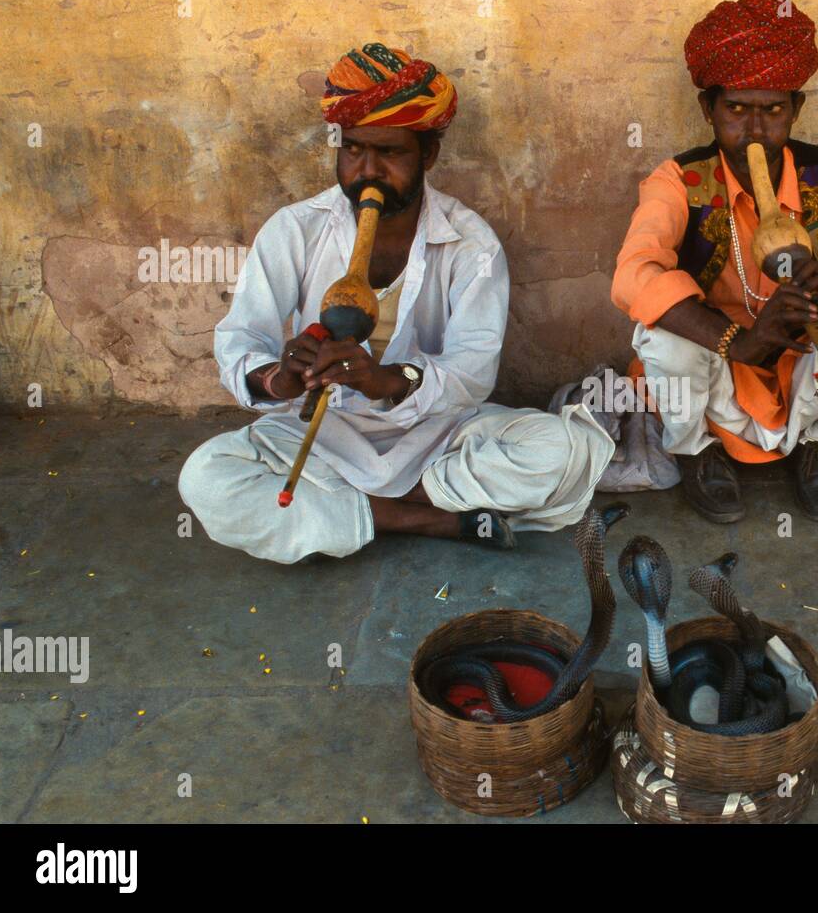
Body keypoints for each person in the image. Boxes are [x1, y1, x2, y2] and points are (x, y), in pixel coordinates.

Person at [179, 43, 614, 564]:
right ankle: (428, 519)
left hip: (435, 431)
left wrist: (391, 381)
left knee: (561, 452)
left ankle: (346, 512)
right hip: (322, 435)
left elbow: (474, 372)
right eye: (355, 150)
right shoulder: (295, 229)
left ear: (428, 155)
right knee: (206, 477)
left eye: (390, 153)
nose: (368, 170)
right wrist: (276, 378)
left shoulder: (469, 242)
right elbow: (239, 339)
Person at [611, 0, 818, 523]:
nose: (755, 130)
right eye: (736, 110)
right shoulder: (678, 181)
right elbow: (635, 274)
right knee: (660, 330)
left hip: (810, 364)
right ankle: (698, 449)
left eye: (773, 111)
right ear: (708, 109)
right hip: (723, 360)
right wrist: (739, 341)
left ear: (796, 110)